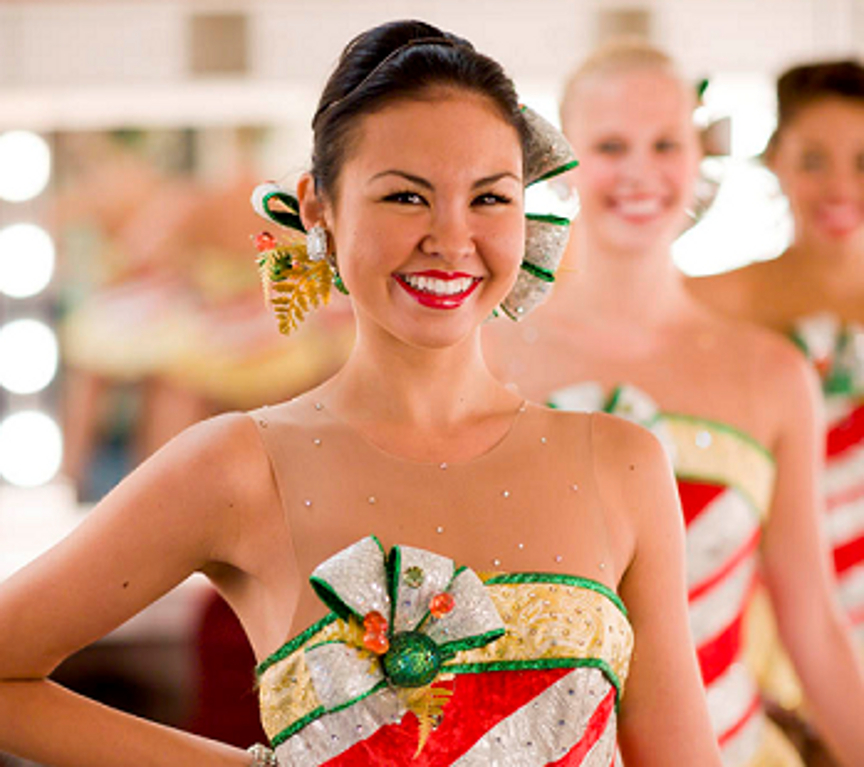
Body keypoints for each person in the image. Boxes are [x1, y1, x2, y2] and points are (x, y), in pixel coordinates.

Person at [0, 20, 723, 766]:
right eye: (407, 196)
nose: (452, 238)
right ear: (319, 209)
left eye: (489, 197)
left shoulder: (621, 464)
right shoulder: (240, 467)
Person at [483, 41, 864, 767]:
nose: (640, 172)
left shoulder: (773, 373)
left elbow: (814, 628)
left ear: (700, 159)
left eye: (665, 145)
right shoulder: (489, 354)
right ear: (560, 162)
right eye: (610, 146)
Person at [687, 61, 864, 655]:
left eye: (863, 163)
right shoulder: (709, 302)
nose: (840, 188)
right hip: (760, 607)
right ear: (775, 161)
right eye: (813, 161)